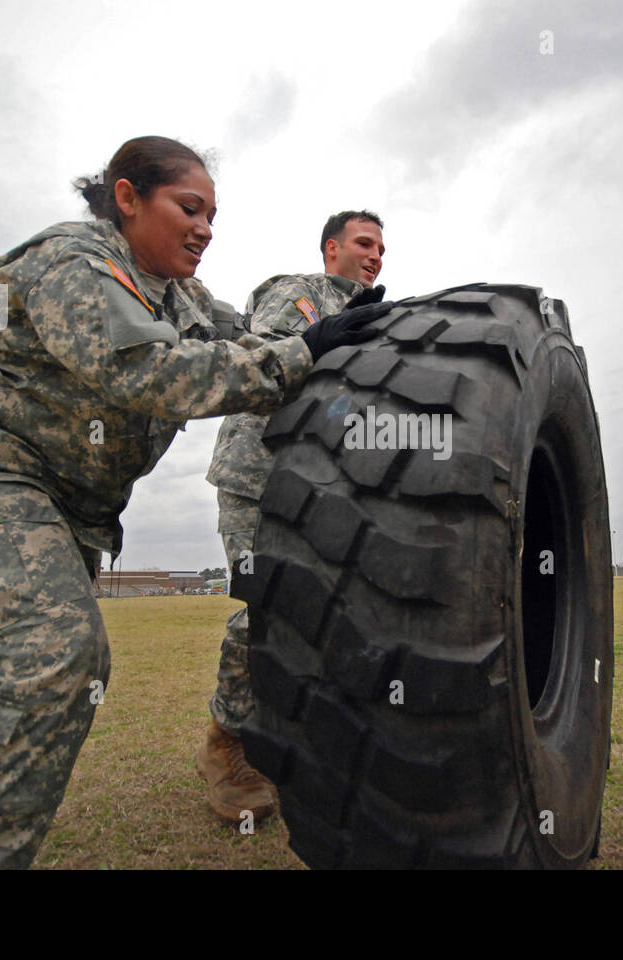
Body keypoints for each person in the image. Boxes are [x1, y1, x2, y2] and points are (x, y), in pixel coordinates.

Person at [0, 137, 387, 868]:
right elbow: (151, 372)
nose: (206, 228)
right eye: (189, 207)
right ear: (126, 197)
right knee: (55, 657)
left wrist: (337, 348)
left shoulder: (182, 297)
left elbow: (245, 347)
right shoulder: (73, 262)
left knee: (33, 664)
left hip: (62, 507)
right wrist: (303, 349)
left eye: (213, 215)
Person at [197, 210, 385, 823]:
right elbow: (261, 361)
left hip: (328, 485)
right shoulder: (300, 292)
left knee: (328, 614)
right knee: (269, 609)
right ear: (332, 248)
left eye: (382, 247)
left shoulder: (373, 317)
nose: (375, 254)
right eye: (364, 242)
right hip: (260, 477)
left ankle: (293, 737)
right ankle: (225, 743)